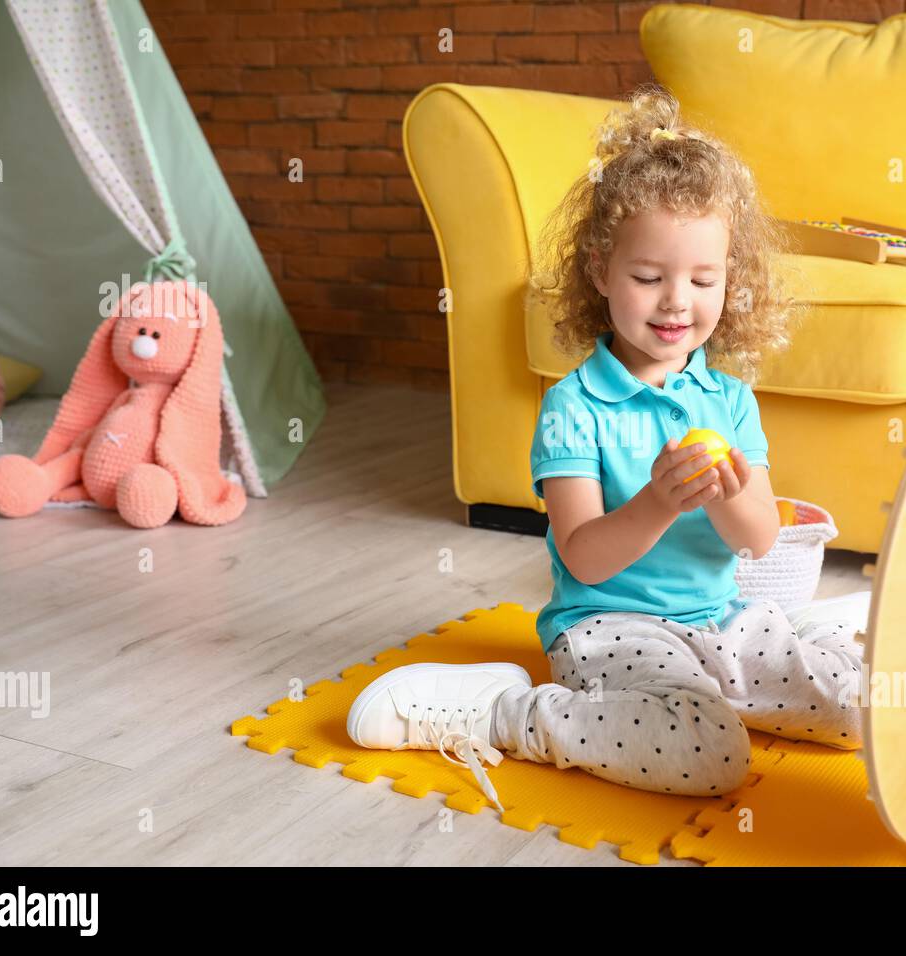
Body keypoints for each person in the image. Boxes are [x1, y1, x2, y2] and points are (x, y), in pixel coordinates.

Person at [347, 84, 864, 812]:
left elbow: (761, 541)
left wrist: (735, 493)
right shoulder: (574, 408)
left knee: (863, 711)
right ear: (599, 271)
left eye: (702, 280)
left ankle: (800, 649)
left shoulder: (729, 401)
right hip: (609, 628)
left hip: (719, 620)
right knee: (712, 754)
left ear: (729, 282)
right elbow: (583, 556)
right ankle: (504, 712)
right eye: (649, 277)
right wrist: (658, 501)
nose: (676, 301)